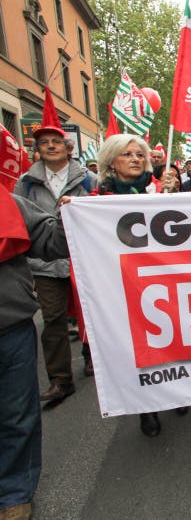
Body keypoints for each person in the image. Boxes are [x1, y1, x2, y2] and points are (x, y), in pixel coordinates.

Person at [94, 134, 191, 439]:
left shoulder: (162, 189)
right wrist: (71, 211)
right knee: (138, 345)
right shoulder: (97, 199)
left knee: (172, 337)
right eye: (127, 154)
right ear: (112, 161)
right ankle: (146, 407)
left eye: (139, 154)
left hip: (163, 278)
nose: (136, 158)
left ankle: (176, 390)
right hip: (124, 281)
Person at [1, 188, 70, 520]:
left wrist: (70, 218)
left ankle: (14, 493)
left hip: (9, 326)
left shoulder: (6, 201)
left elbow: (49, 240)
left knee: (16, 416)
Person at [15, 123, 97, 401]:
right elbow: (19, 221)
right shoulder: (26, 182)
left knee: (92, 314)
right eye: (44, 142)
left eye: (56, 141)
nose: (50, 145)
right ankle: (60, 379)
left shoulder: (88, 179)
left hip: (84, 261)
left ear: (68, 148)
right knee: (53, 321)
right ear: (37, 150)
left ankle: (92, 358)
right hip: (45, 265)